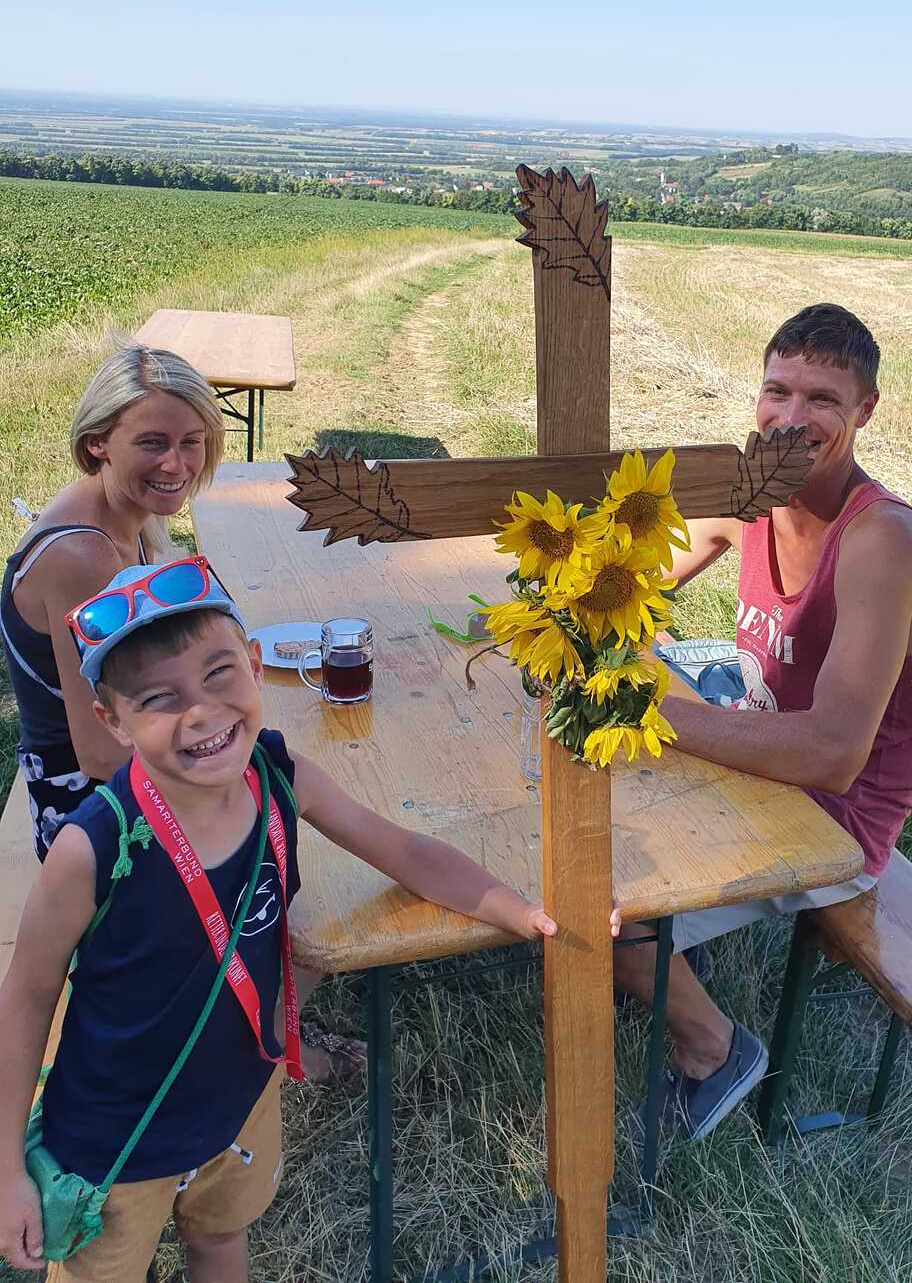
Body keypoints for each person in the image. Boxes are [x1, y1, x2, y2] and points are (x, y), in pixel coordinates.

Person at [0, 556, 602, 1281]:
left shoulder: (279, 776)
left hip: (241, 1096)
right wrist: (6, 1170)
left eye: (219, 673)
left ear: (255, 667)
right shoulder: (94, 848)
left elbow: (406, 852)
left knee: (222, 1240)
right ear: (113, 722)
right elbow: (26, 998)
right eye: (158, 698)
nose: (201, 712)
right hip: (115, 1137)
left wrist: (528, 912)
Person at [614, 302, 912, 1139]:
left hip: (836, 821)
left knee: (596, 902)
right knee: (574, 812)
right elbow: (634, 581)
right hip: (762, 767)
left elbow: (832, 754)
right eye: (777, 392)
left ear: (865, 410)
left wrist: (645, 712)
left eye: (822, 399)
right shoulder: (750, 499)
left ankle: (714, 1049)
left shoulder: (882, 541)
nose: (791, 418)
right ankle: (671, 954)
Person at [1, 344, 224, 860]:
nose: (176, 463)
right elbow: (101, 754)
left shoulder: (126, 511)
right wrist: (230, 772)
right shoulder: (83, 557)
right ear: (97, 442)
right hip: (92, 816)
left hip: (134, 766)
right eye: (152, 442)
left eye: (192, 441)